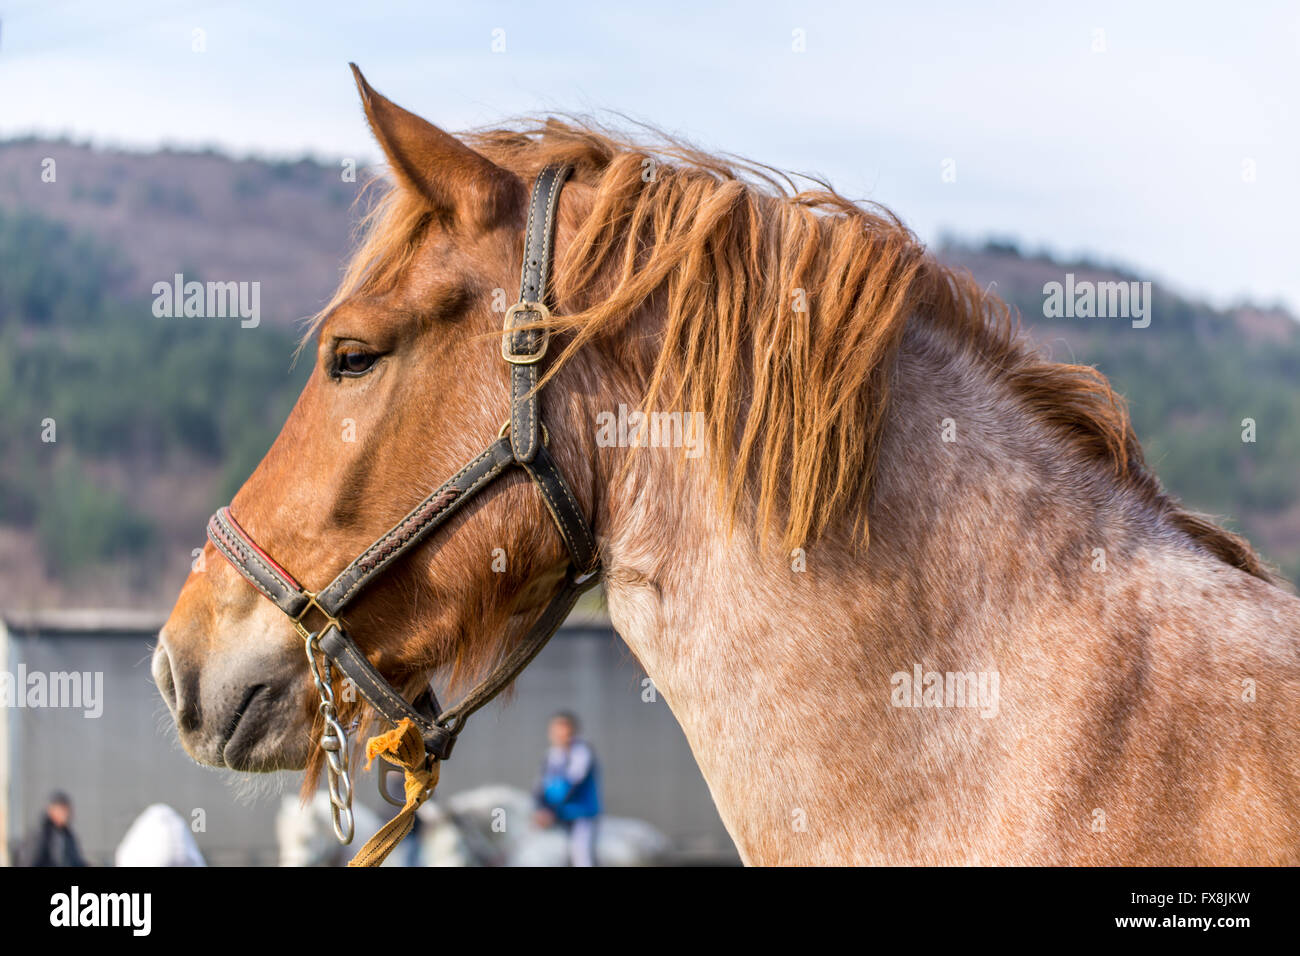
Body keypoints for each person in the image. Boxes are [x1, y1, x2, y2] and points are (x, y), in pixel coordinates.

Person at [532, 711, 601, 866]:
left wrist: (550, 810)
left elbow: (572, 784)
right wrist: (539, 809)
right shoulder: (550, 755)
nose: (560, 736)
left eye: (565, 731)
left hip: (580, 816)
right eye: (556, 731)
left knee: (581, 857)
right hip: (556, 816)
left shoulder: (582, 752)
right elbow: (539, 787)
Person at [20, 791, 88, 867]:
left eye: (67, 810)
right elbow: (28, 862)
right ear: (51, 810)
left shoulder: (68, 835)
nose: (66, 814)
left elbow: (76, 861)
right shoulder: (40, 834)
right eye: (62, 810)